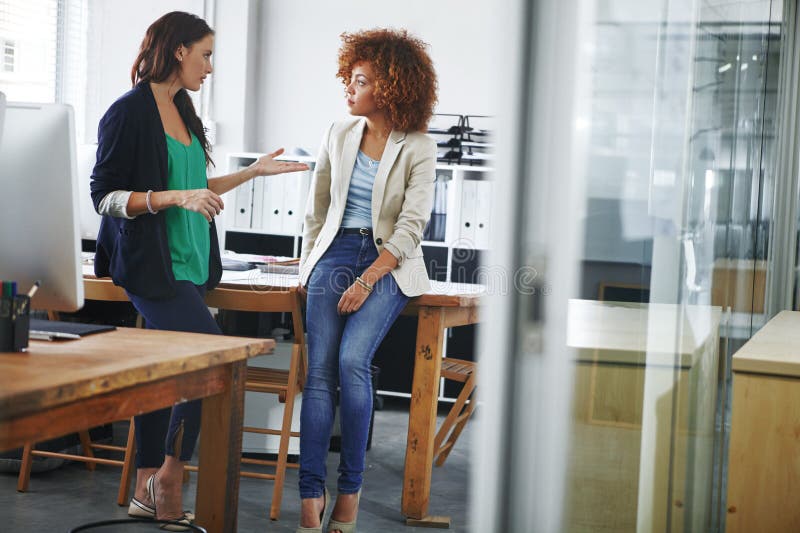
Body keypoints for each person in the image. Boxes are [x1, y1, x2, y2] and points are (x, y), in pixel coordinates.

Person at [89, 11, 307, 530]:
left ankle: (148, 483)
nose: (210, 67)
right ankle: (169, 475)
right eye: (205, 54)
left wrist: (253, 173)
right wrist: (176, 197)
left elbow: (197, 187)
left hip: (189, 263)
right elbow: (104, 198)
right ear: (179, 50)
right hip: (149, 267)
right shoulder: (128, 112)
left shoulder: (184, 111)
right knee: (212, 361)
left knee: (168, 373)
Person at [297, 28, 438, 533]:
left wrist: (366, 280)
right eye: (349, 79)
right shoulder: (338, 132)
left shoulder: (419, 147)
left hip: (388, 262)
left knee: (353, 363)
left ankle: (350, 492)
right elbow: (316, 210)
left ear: (391, 88)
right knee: (319, 374)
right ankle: (310, 495)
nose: (348, 89)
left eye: (359, 81)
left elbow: (411, 227)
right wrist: (306, 267)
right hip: (333, 253)